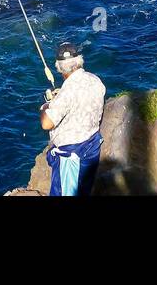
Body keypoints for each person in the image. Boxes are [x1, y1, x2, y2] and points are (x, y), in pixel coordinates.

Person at [39, 42, 105, 196]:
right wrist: (61, 96)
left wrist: (45, 107)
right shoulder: (95, 80)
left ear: (59, 67)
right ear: (79, 60)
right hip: (92, 146)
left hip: (72, 154)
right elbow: (82, 98)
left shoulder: (67, 92)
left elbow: (46, 123)